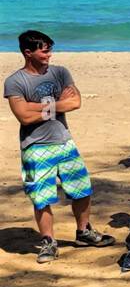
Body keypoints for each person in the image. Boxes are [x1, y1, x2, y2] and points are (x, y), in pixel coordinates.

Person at [5, 30, 115, 263]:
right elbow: (23, 117)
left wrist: (36, 107)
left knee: (82, 189)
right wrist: (58, 104)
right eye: (44, 51)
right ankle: (48, 242)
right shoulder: (15, 81)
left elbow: (75, 102)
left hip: (64, 141)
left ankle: (84, 231)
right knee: (41, 197)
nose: (49, 55)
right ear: (28, 52)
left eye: (50, 50)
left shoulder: (60, 73)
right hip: (35, 146)